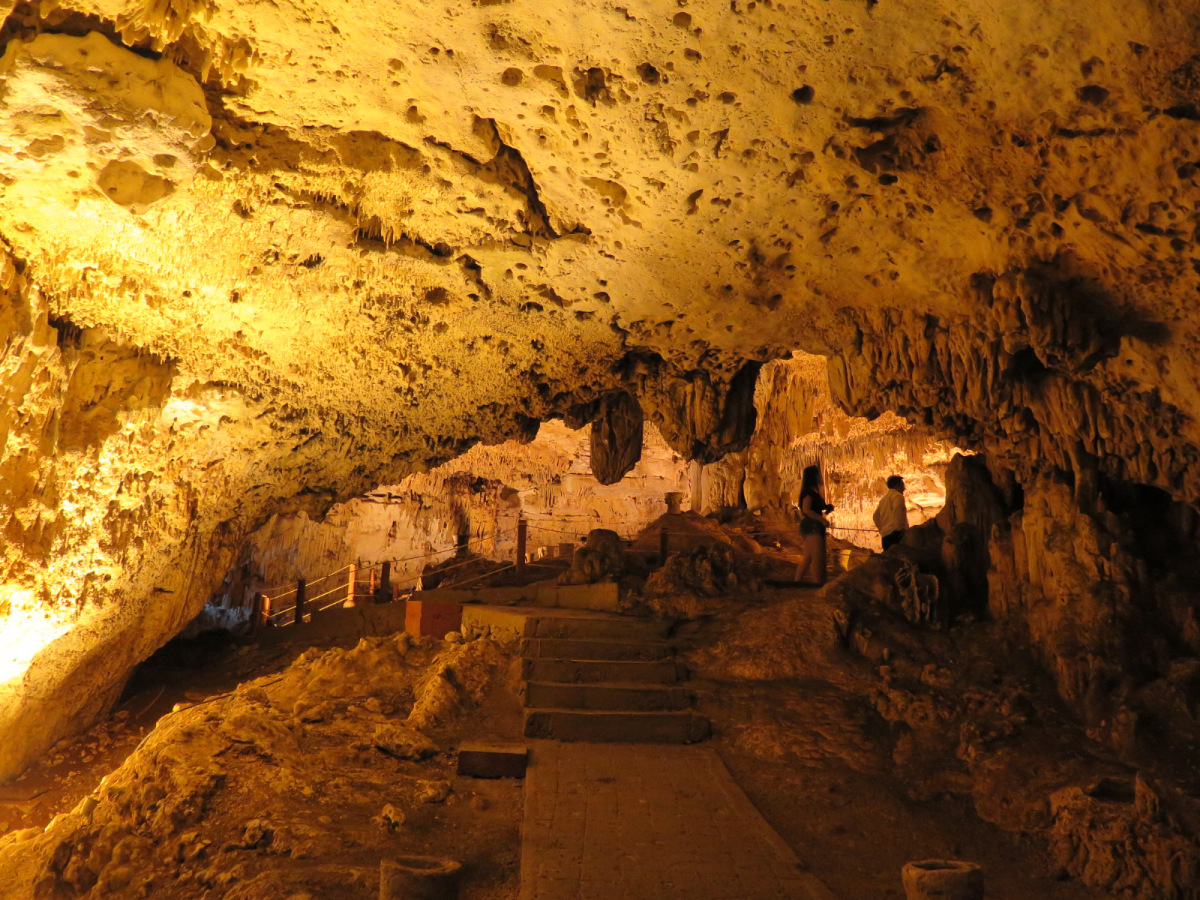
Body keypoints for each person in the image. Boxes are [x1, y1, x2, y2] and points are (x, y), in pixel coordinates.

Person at [797, 464, 833, 585]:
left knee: (808, 556)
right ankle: (818, 582)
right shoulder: (809, 493)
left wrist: (826, 509)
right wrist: (821, 520)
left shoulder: (814, 492)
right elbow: (806, 509)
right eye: (818, 474)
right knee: (817, 556)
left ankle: (797, 581)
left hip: (814, 525)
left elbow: (814, 509)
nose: (820, 477)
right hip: (811, 526)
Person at [873, 475, 909, 551]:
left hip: (885, 538)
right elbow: (897, 511)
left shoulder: (883, 499)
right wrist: (900, 530)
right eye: (902, 485)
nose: (904, 488)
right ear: (897, 485)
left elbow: (875, 516)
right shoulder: (898, 496)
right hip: (896, 536)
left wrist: (882, 530)